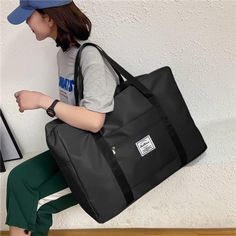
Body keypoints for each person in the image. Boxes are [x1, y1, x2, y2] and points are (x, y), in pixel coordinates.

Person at [6, 0, 120, 235]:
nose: (27, 23)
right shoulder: (65, 54)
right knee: (19, 178)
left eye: (29, 16)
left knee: (35, 206)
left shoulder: (90, 57)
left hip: (100, 159)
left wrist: (41, 100)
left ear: (49, 17)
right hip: (76, 147)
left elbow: (94, 121)